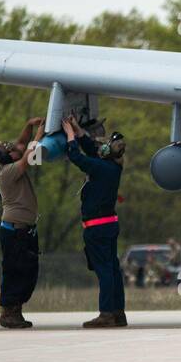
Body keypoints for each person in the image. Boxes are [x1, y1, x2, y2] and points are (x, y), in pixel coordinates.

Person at [62, 115, 127, 328]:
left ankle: (106, 314)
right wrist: (78, 129)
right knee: (113, 268)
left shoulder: (100, 168)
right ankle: (118, 312)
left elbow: (77, 157)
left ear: (107, 152)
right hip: (108, 225)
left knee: (104, 270)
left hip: (97, 228)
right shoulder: (111, 167)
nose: (100, 146)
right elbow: (91, 150)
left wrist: (70, 136)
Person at [0, 117, 44, 329]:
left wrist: (29, 126)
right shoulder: (8, 172)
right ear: (9, 157)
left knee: (28, 271)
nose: (17, 148)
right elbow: (29, 154)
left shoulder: (10, 162)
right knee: (15, 271)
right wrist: (39, 134)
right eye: (13, 149)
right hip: (15, 231)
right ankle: (8, 313)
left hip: (24, 230)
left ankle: (16, 311)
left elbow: (22, 144)